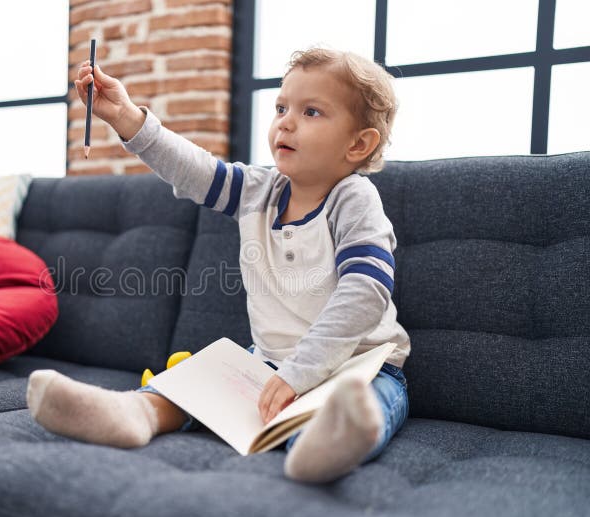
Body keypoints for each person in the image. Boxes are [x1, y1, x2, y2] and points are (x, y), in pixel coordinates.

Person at [27, 47, 411, 484]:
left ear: (358, 144)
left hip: (360, 366)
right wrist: (128, 118)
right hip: (269, 364)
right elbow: (193, 170)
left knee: (364, 404)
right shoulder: (259, 191)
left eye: (311, 112)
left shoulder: (353, 199)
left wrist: (301, 372)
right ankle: (132, 413)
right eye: (282, 107)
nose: (285, 121)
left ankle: (322, 446)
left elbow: (365, 291)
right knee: (192, 380)